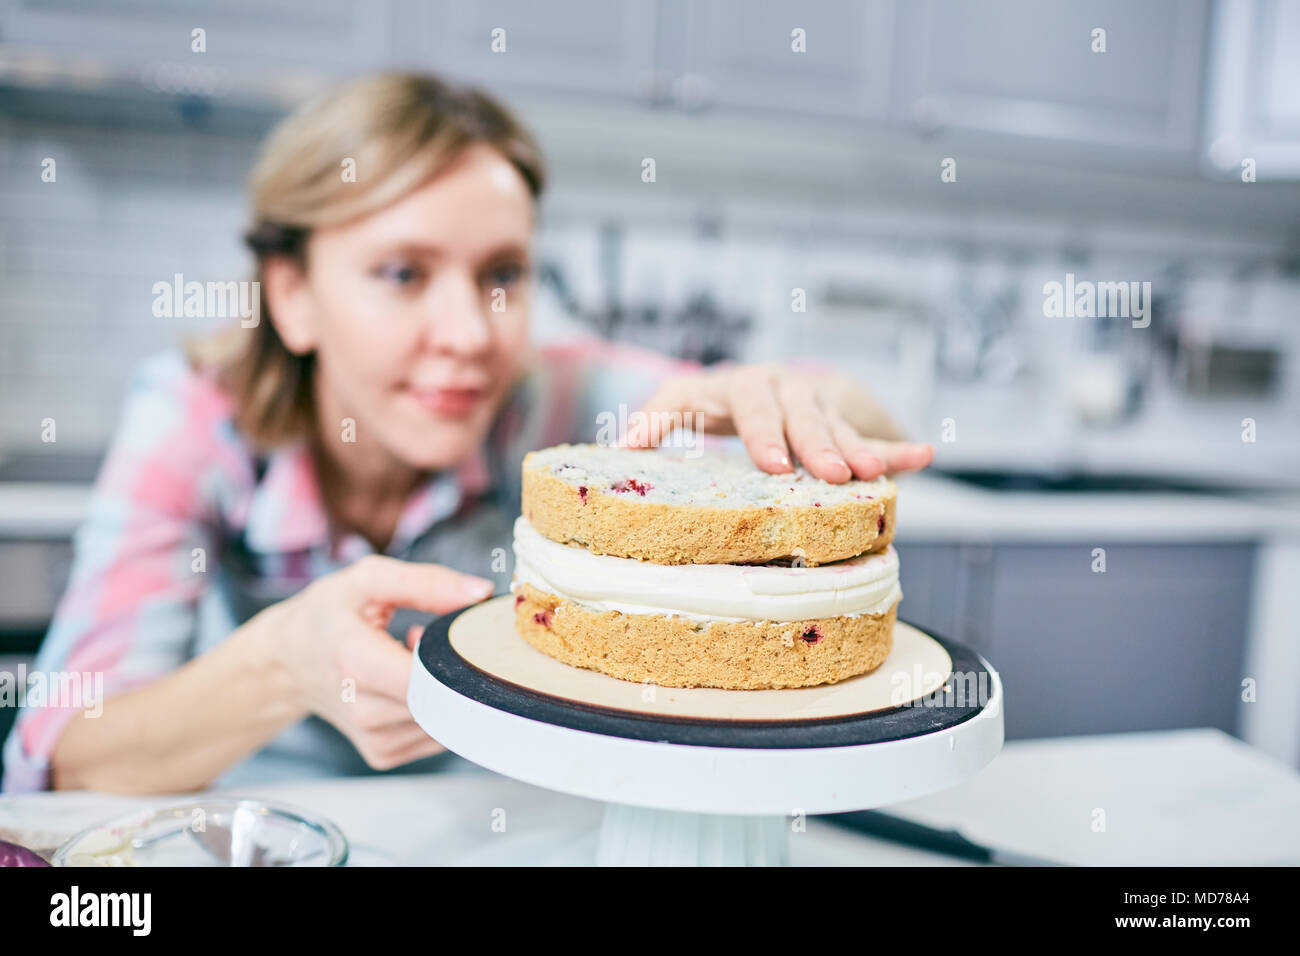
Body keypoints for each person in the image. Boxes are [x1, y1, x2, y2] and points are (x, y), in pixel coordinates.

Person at [2, 73, 933, 795]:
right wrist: (283, 665)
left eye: (502, 275)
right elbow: (63, 757)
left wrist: (778, 396)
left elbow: (863, 428)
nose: (472, 334)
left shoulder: (561, 402)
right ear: (291, 295)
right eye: (403, 273)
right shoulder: (196, 420)